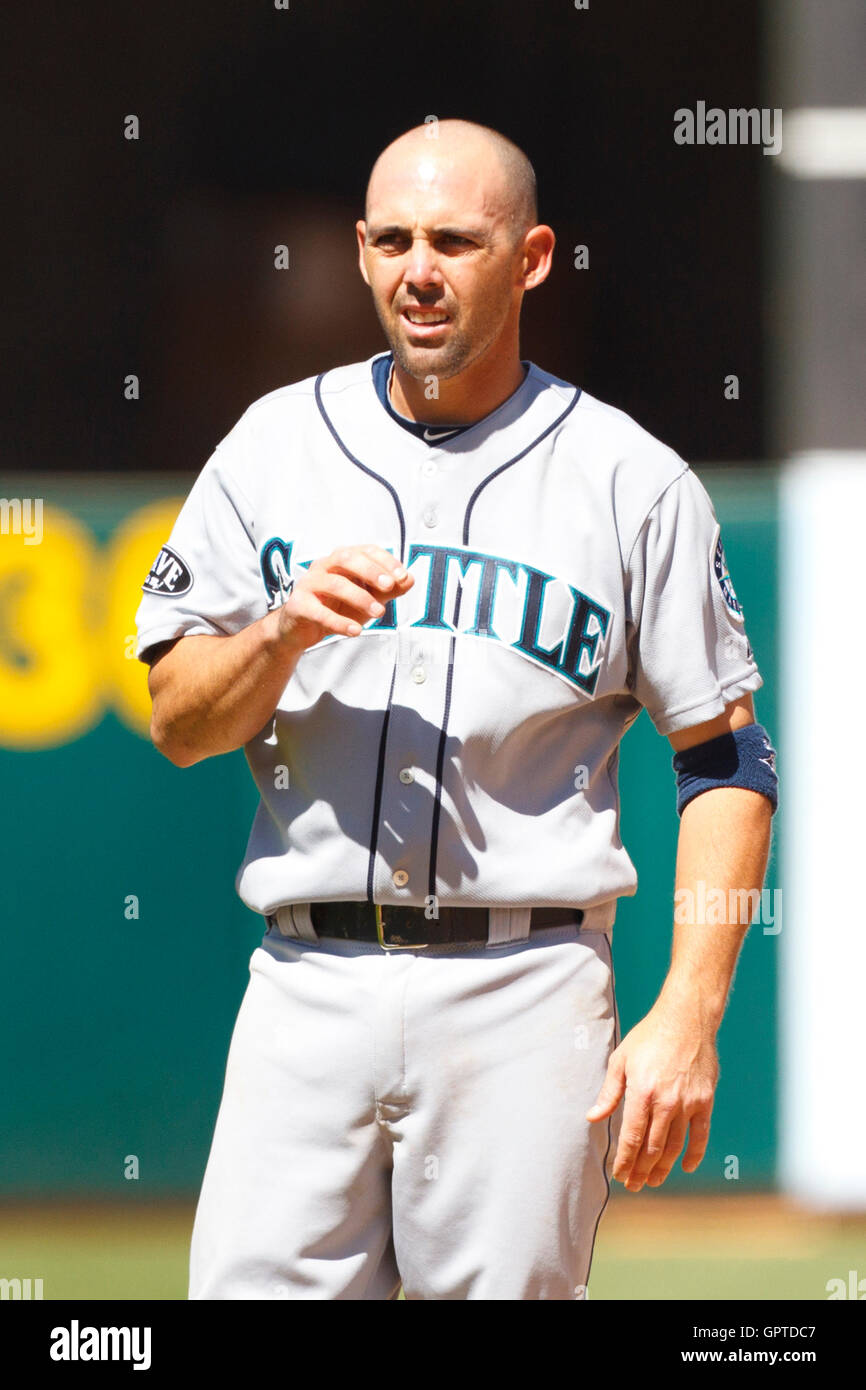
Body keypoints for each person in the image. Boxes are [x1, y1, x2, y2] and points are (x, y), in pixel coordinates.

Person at [135, 119, 777, 1301]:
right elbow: (178, 721)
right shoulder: (272, 445)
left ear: (529, 258)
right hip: (302, 982)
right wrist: (277, 633)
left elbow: (726, 760)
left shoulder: (630, 480)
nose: (416, 268)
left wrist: (688, 1012)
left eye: (453, 240)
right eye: (391, 239)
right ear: (362, 253)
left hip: (522, 992)